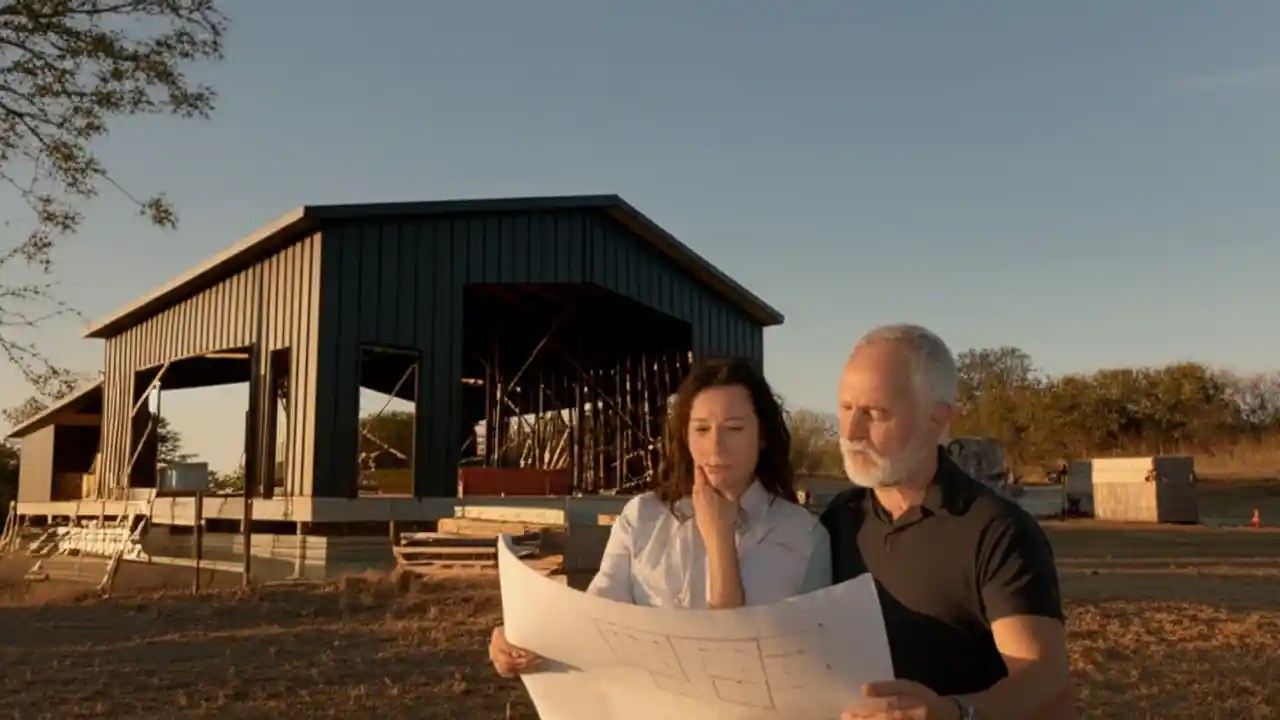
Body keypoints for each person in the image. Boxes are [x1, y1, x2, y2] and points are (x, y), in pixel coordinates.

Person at [488, 355, 831, 677]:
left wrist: (719, 537)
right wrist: (523, 636)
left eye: (735, 429)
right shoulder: (642, 518)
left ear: (763, 436)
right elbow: (596, 619)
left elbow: (803, 665)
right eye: (701, 429)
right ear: (684, 436)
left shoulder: (804, 537)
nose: (715, 447)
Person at [827, 324, 1075, 720]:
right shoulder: (838, 520)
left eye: (875, 413)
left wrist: (953, 713)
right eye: (845, 408)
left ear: (938, 420)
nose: (852, 432)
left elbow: (1046, 681)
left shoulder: (997, 531)